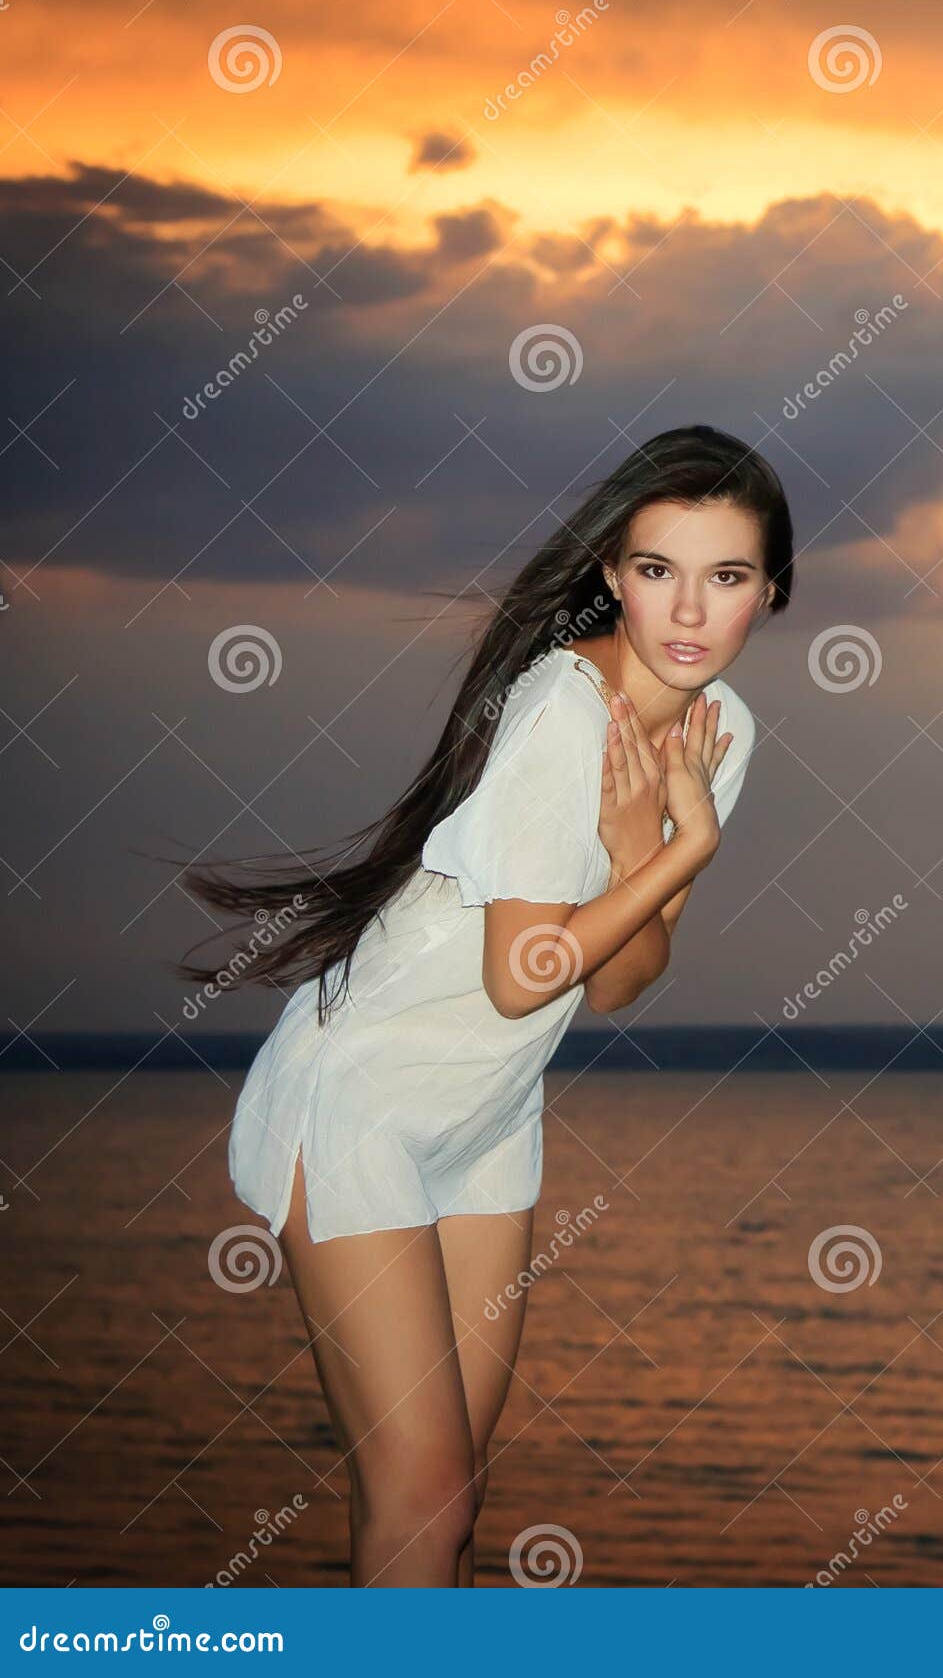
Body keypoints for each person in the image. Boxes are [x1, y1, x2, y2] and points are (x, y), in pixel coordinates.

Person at [178, 423, 796, 1586]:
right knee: (424, 1494)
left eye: (725, 576)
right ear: (612, 573)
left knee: (452, 1505)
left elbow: (616, 982)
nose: (687, 610)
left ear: (769, 591)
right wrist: (677, 851)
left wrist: (636, 853)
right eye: (656, 569)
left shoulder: (723, 731)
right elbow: (523, 975)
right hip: (362, 1099)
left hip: (489, 1118)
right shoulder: (561, 710)